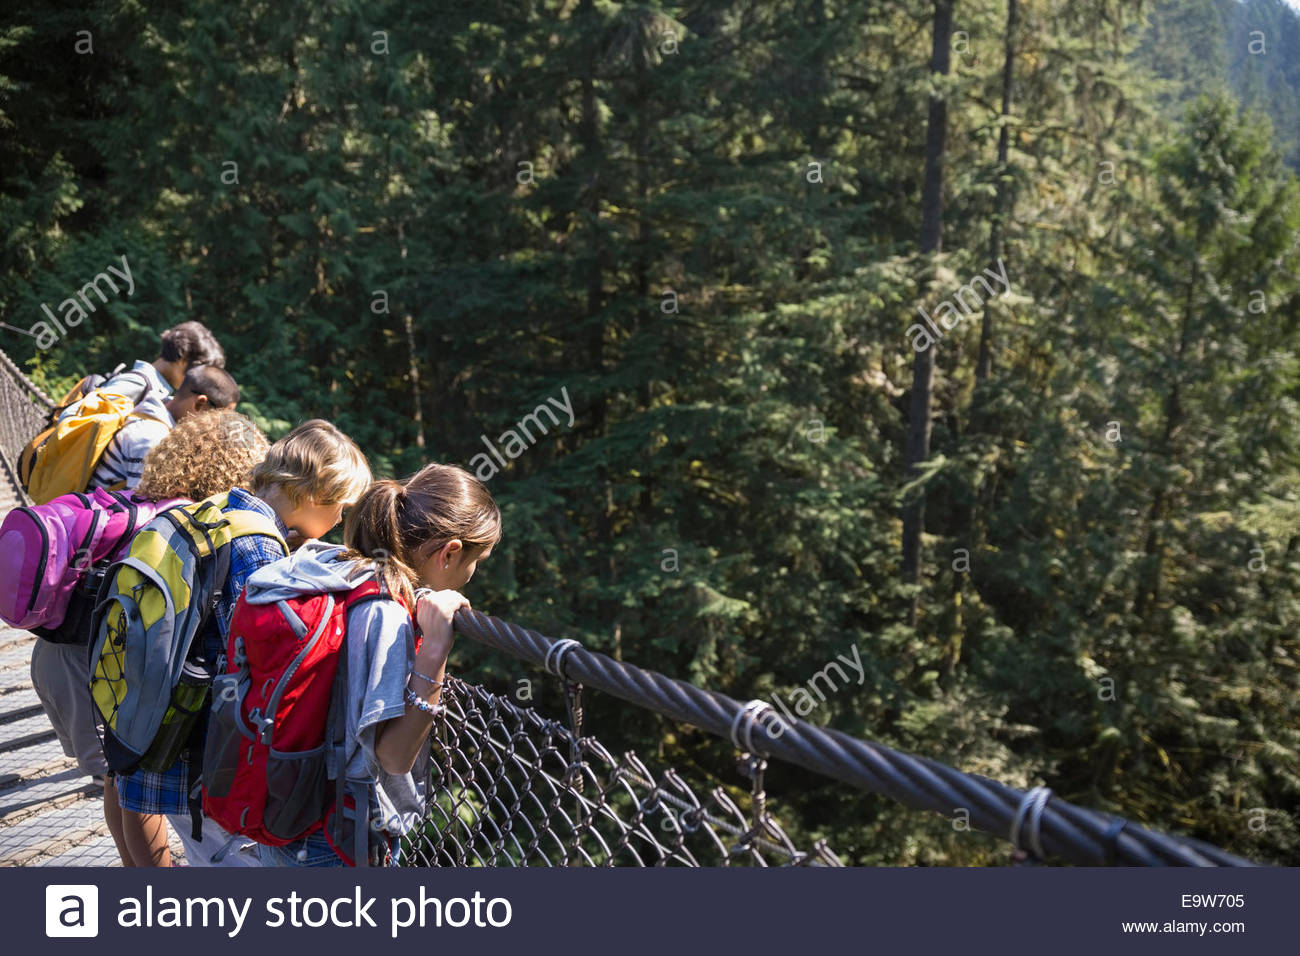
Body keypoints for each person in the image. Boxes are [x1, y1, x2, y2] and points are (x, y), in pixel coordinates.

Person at [111, 419, 372, 867]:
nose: (340, 521)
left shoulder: (222, 508)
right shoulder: (259, 547)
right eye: (341, 507)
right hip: (196, 739)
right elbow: (258, 652)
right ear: (312, 495)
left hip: (149, 707)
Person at [28, 409, 270, 866]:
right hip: (92, 663)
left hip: (64, 655)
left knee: (118, 779)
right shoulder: (190, 523)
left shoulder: (144, 504)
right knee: (131, 784)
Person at [240, 463, 500, 866]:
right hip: (338, 835)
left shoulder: (331, 567)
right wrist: (435, 651)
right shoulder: (386, 613)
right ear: (450, 552)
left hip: (287, 809)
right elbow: (394, 758)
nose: (475, 572)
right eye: (477, 559)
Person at [87, 320, 227, 492]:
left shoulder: (156, 391)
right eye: (199, 369)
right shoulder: (138, 384)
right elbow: (89, 423)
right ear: (183, 358)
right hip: (87, 491)